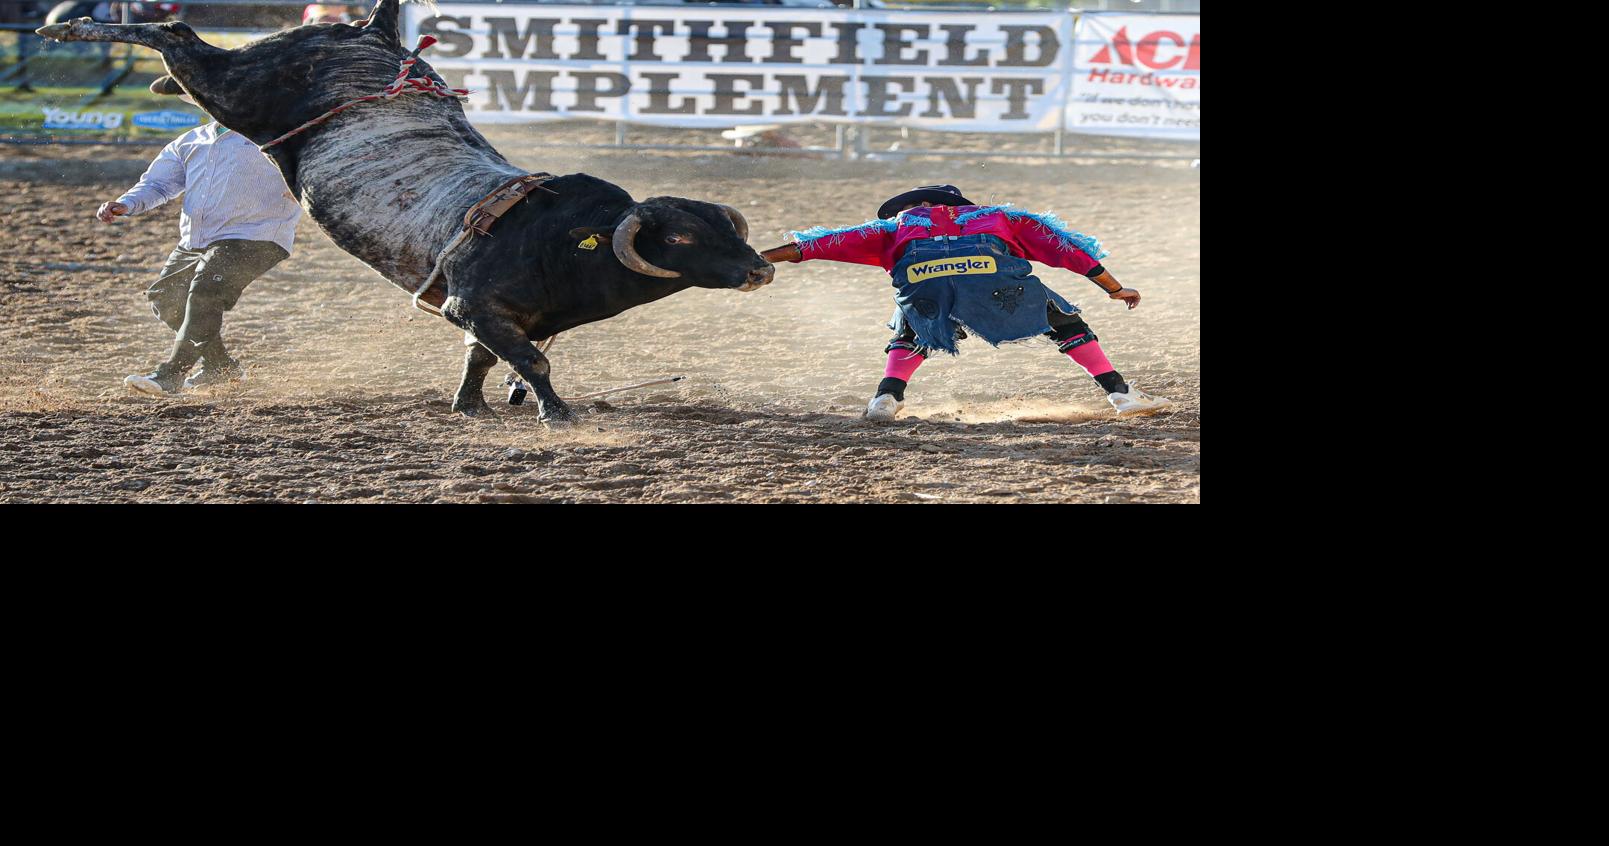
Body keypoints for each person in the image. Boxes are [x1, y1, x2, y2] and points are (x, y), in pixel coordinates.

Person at [762, 184, 1172, 420]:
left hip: (925, 282)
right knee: (1062, 319)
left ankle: (885, 399)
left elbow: (813, 245)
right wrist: (1114, 289)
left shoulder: (893, 227)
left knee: (911, 320)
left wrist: (753, 259)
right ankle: (1120, 393)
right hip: (993, 275)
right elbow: (1067, 248)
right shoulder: (998, 215)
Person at [96, 79, 302, 396]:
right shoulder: (190, 141)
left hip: (258, 235)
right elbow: (157, 184)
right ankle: (219, 367)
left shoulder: (276, 136)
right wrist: (127, 204)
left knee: (206, 290)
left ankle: (171, 374)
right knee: (166, 298)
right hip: (197, 239)